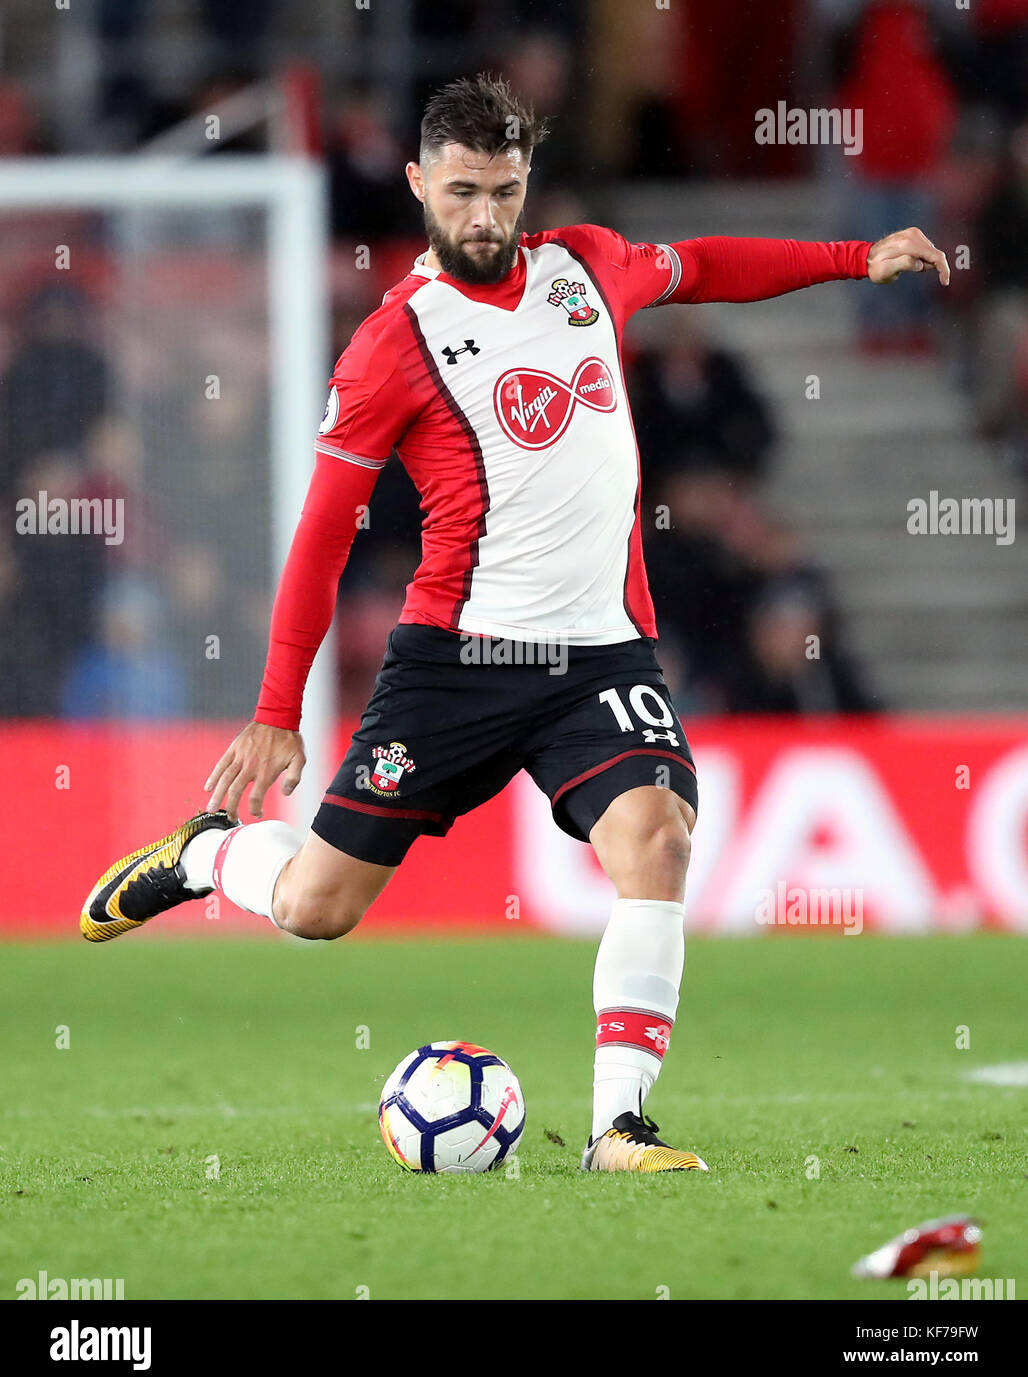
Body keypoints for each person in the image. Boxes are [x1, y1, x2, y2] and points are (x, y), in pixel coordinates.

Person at [80, 73, 949, 1174]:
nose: (482, 216)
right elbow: (320, 536)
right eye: (458, 193)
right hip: (456, 663)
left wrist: (844, 257)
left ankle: (616, 1126)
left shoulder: (585, 263)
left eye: (500, 189)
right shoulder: (390, 345)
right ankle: (211, 858)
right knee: (316, 906)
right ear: (417, 185)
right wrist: (272, 711)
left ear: (523, 178)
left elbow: (705, 267)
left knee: (660, 838)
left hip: (597, 655)